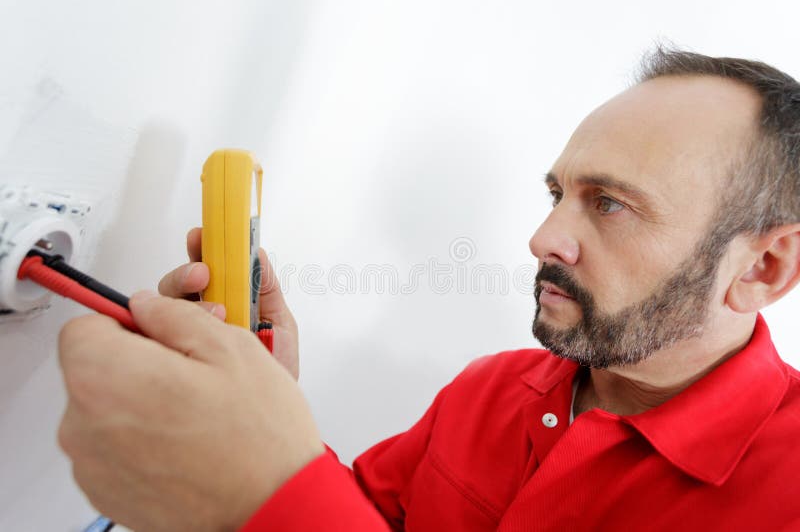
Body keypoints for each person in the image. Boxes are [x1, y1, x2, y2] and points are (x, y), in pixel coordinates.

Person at [57, 46, 800, 531]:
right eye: (557, 194)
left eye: (610, 203)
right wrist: (269, 411)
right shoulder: (491, 391)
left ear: (763, 268)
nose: (544, 240)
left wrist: (258, 490)